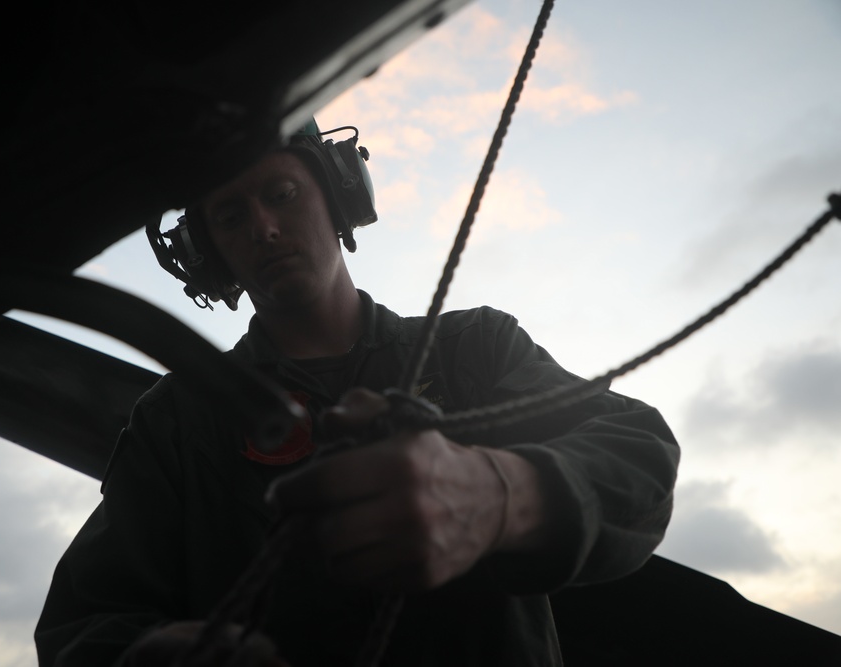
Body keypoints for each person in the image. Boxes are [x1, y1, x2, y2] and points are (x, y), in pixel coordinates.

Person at [34, 120, 680, 666]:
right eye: (231, 215)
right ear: (211, 253)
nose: (263, 227)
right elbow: (81, 623)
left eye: (281, 193)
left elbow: (638, 455)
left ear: (338, 192)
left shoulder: (476, 349)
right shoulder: (176, 422)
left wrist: (499, 493)